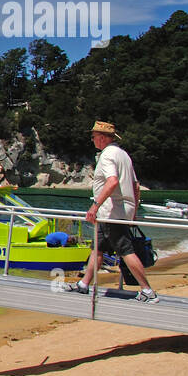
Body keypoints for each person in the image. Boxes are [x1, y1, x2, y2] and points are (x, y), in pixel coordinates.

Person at [66, 120, 158, 302]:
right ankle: (84, 284)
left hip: (111, 212)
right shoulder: (123, 155)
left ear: (101, 138)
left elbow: (112, 181)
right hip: (118, 211)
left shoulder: (107, 156)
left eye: (93, 137)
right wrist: (134, 210)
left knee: (125, 250)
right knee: (97, 249)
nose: (92, 140)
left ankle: (147, 290)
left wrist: (95, 206)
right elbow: (135, 185)